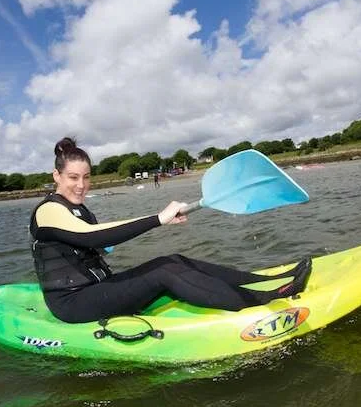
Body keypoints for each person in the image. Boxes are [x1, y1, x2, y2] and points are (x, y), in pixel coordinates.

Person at [29, 137, 312, 324]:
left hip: (99, 288)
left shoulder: (80, 209)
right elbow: (93, 235)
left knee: (173, 260)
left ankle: (271, 278)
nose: (81, 185)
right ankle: (268, 299)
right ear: (56, 176)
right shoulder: (48, 210)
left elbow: (101, 238)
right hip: (72, 303)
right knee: (163, 272)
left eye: (87, 177)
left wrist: (161, 217)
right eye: (73, 178)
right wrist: (157, 218)